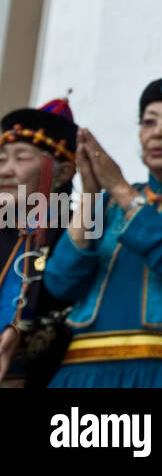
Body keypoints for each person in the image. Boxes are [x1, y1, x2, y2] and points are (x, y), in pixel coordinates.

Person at [41, 79, 162, 387]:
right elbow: (61, 283)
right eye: (148, 122)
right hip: (81, 371)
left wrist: (119, 187)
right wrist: (90, 193)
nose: (157, 132)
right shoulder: (106, 205)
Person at [0, 99, 78, 387]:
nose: (5, 170)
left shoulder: (75, 232)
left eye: (21, 159)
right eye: (1, 159)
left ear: (64, 173)